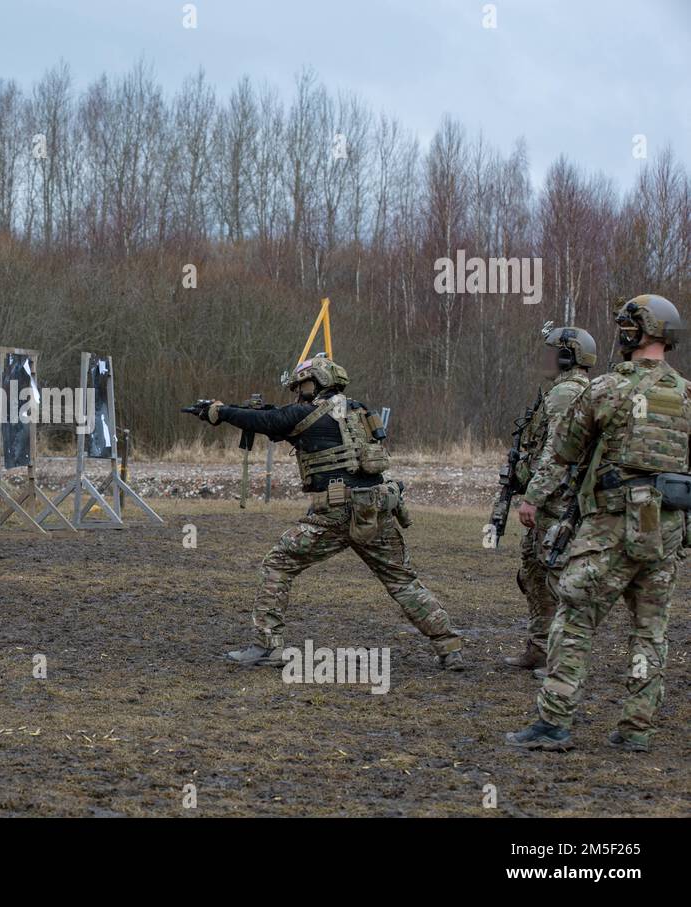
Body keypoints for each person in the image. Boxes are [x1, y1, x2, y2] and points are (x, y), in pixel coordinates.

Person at [185, 355, 464, 670]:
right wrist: (238, 411)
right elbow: (282, 421)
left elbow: (269, 422)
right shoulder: (359, 411)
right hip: (374, 508)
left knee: (278, 564)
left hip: (334, 512)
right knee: (402, 580)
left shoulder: (308, 412)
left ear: (313, 382)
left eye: (300, 385)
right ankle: (449, 647)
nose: (297, 392)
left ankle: (267, 646)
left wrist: (219, 412)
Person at [508, 295, 689, 752]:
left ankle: (554, 721)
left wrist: (535, 494)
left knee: (574, 619)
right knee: (649, 631)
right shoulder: (687, 396)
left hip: (611, 524)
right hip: (666, 529)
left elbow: (565, 450)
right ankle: (637, 727)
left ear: (637, 332)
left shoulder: (607, 388)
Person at [503, 325, 596, 669]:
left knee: (556, 578)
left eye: (551, 350)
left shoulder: (564, 394)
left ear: (567, 355)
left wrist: (534, 496)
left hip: (558, 502)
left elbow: (555, 452)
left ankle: (563, 659)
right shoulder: (567, 391)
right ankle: (539, 648)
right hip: (558, 499)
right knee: (532, 572)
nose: (544, 357)